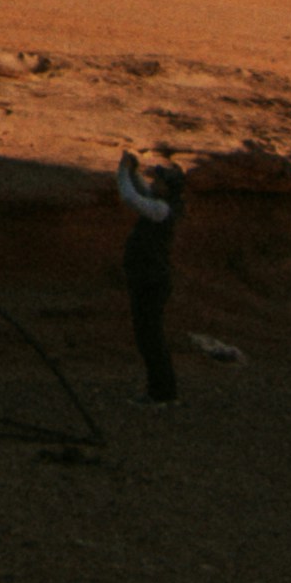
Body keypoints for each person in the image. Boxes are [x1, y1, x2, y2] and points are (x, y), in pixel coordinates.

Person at [118, 145, 180, 405]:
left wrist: (122, 171)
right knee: (150, 337)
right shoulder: (165, 205)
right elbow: (142, 190)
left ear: (167, 188)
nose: (155, 183)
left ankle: (162, 393)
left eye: (160, 181)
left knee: (150, 338)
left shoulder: (161, 210)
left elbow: (132, 198)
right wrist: (131, 172)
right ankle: (160, 391)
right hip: (150, 279)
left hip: (150, 281)